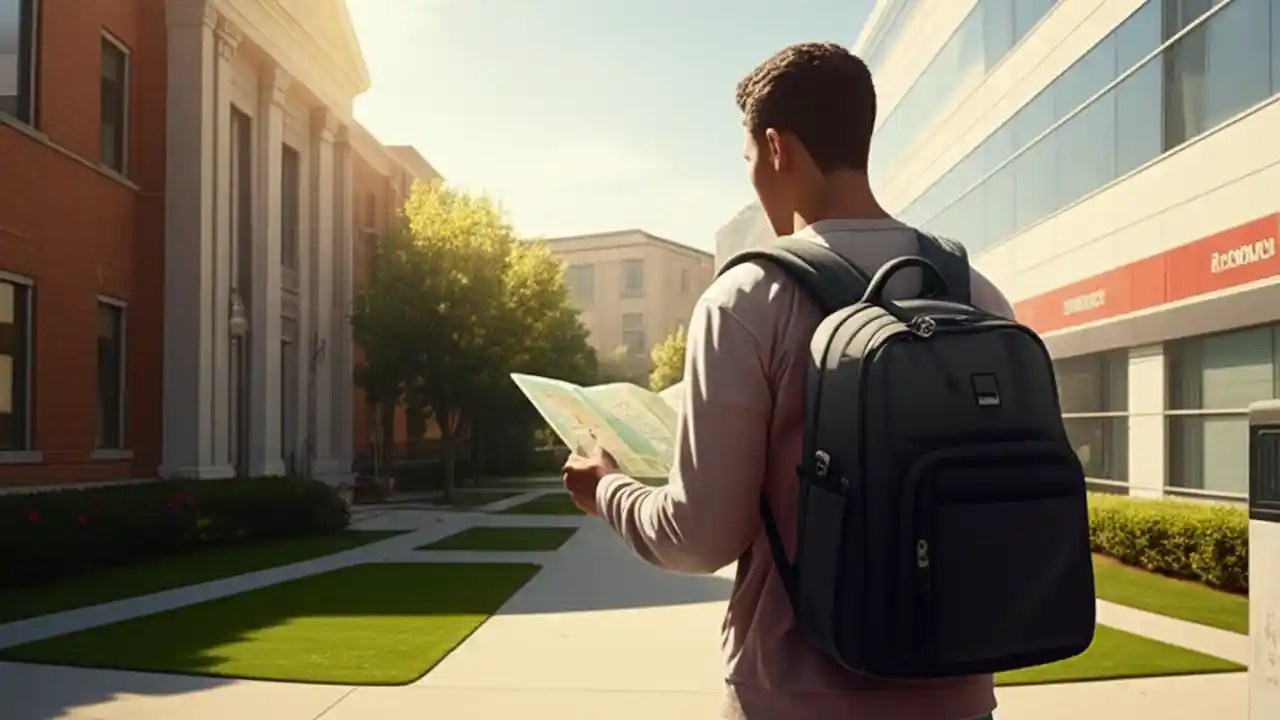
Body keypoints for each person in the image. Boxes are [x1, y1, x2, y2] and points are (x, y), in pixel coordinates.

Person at [562, 42, 1012, 720]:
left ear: (775, 147)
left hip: (794, 698)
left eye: (747, 160)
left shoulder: (746, 298)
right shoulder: (975, 292)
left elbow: (700, 537)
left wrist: (608, 490)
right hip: (957, 691)